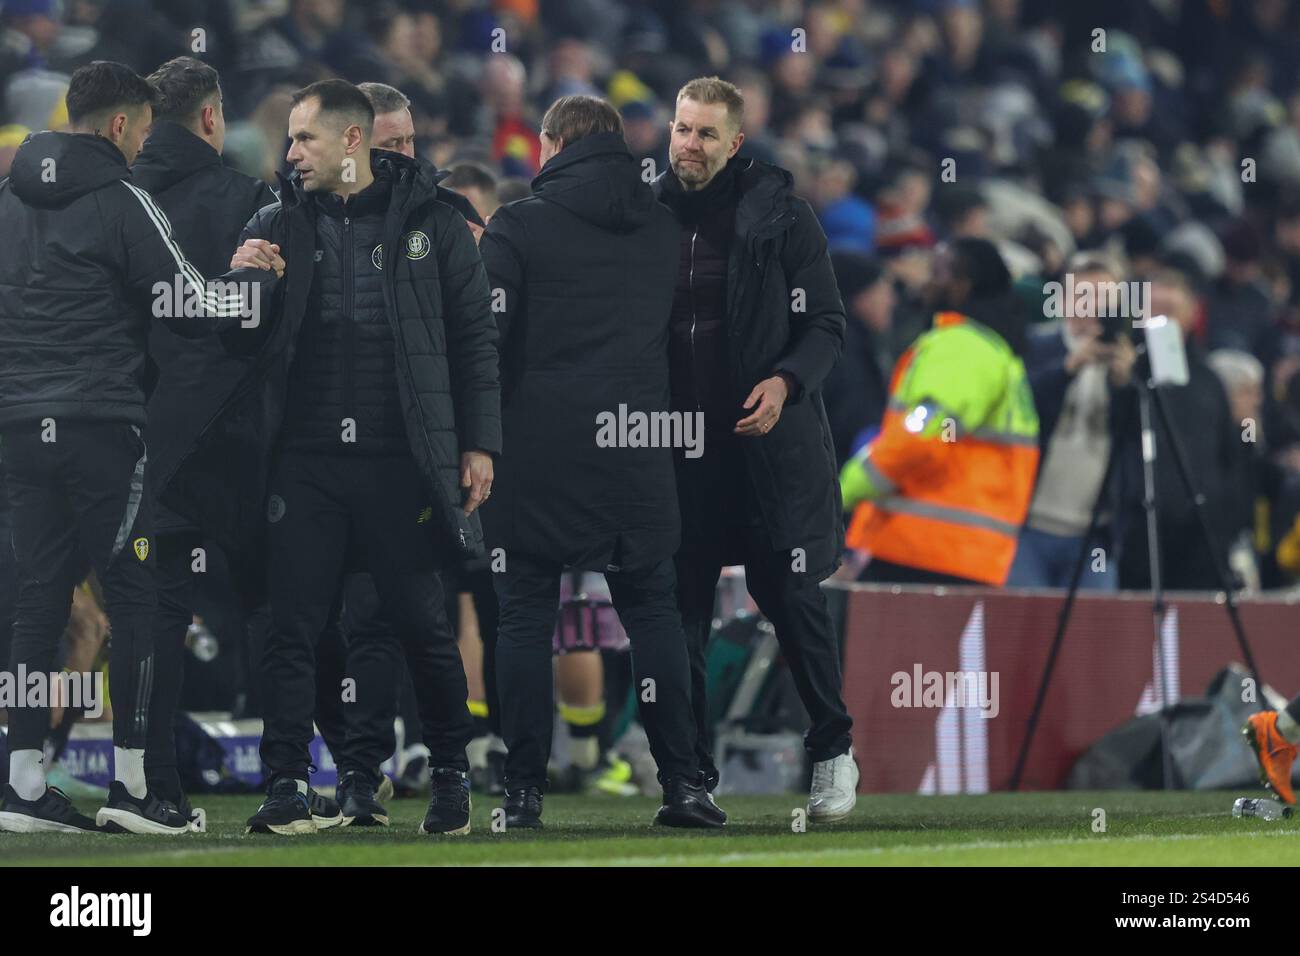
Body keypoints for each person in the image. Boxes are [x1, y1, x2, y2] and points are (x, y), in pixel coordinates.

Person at [166, 79, 500, 836]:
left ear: (353, 142)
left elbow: (475, 341)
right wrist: (246, 287)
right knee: (291, 627)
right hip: (305, 460)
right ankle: (286, 783)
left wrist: (478, 445)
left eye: (304, 139)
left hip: (400, 459)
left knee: (420, 625)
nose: (290, 154)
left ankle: (450, 775)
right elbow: (237, 346)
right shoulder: (275, 224)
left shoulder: (437, 224)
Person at [0, 60, 257, 834]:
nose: (145, 141)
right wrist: (252, 280)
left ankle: (19, 785)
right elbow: (189, 304)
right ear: (119, 125)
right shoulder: (121, 198)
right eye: (144, 127)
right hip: (103, 425)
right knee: (137, 594)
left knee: (37, 599)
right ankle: (139, 789)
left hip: (18, 426)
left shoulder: (6, 198)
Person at [479, 94, 724, 830]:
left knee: (525, 614)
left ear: (551, 146)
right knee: (654, 614)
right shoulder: (664, 227)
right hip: (639, 444)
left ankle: (522, 791)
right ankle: (683, 785)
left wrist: (474, 440)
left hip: (540, 448)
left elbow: (484, 345)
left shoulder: (518, 225)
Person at [653, 76, 857, 823]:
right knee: (678, 616)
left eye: (706, 133)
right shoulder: (645, 217)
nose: (689, 144)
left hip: (770, 451)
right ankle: (688, 776)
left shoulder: (783, 216)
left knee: (791, 601)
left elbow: (828, 324)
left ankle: (833, 751)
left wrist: (784, 384)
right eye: (681, 128)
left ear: (735, 142)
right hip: (679, 453)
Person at [131, 55, 279, 823]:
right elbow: (268, 322)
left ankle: (154, 787)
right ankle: (289, 778)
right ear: (213, 118)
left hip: (137, 432)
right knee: (267, 603)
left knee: (155, 612)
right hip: (234, 429)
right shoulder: (247, 198)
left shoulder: (115, 198)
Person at [841, 238, 1040, 588]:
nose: (927, 282)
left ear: (962, 285)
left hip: (920, 550)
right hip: (966, 555)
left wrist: (842, 491)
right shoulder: (996, 351)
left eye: (938, 273)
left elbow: (921, 434)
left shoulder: (961, 347)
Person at [1008, 253, 1134, 589]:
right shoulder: (1033, 346)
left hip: (1094, 535)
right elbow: (1016, 409)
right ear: (1062, 301)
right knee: (1020, 631)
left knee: (1089, 636)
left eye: (1104, 301)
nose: (1093, 311)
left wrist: (1126, 387)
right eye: (1082, 298)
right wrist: (1067, 369)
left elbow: (1143, 442)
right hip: (1027, 526)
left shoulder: (1133, 361)